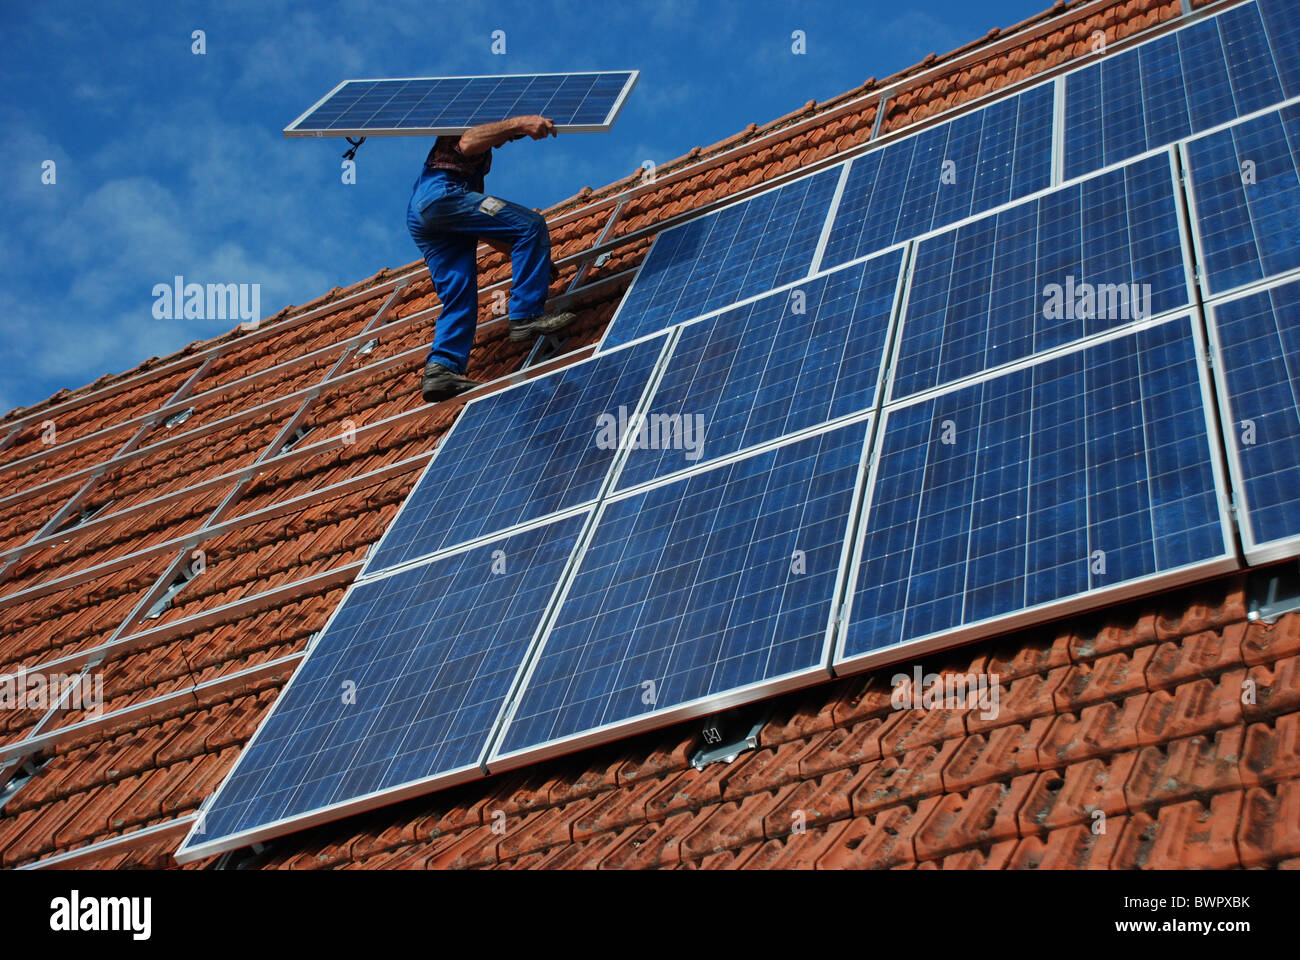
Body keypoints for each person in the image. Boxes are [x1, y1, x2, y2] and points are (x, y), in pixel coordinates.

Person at [406, 114, 576, 402]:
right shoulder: (470, 124)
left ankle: (441, 369)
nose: (510, 140)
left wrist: (533, 261)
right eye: (511, 135)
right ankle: (526, 315)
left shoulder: (479, 163)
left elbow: (488, 227)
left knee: (460, 292)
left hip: (428, 214)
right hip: (442, 196)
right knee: (530, 223)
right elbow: (469, 141)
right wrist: (520, 123)